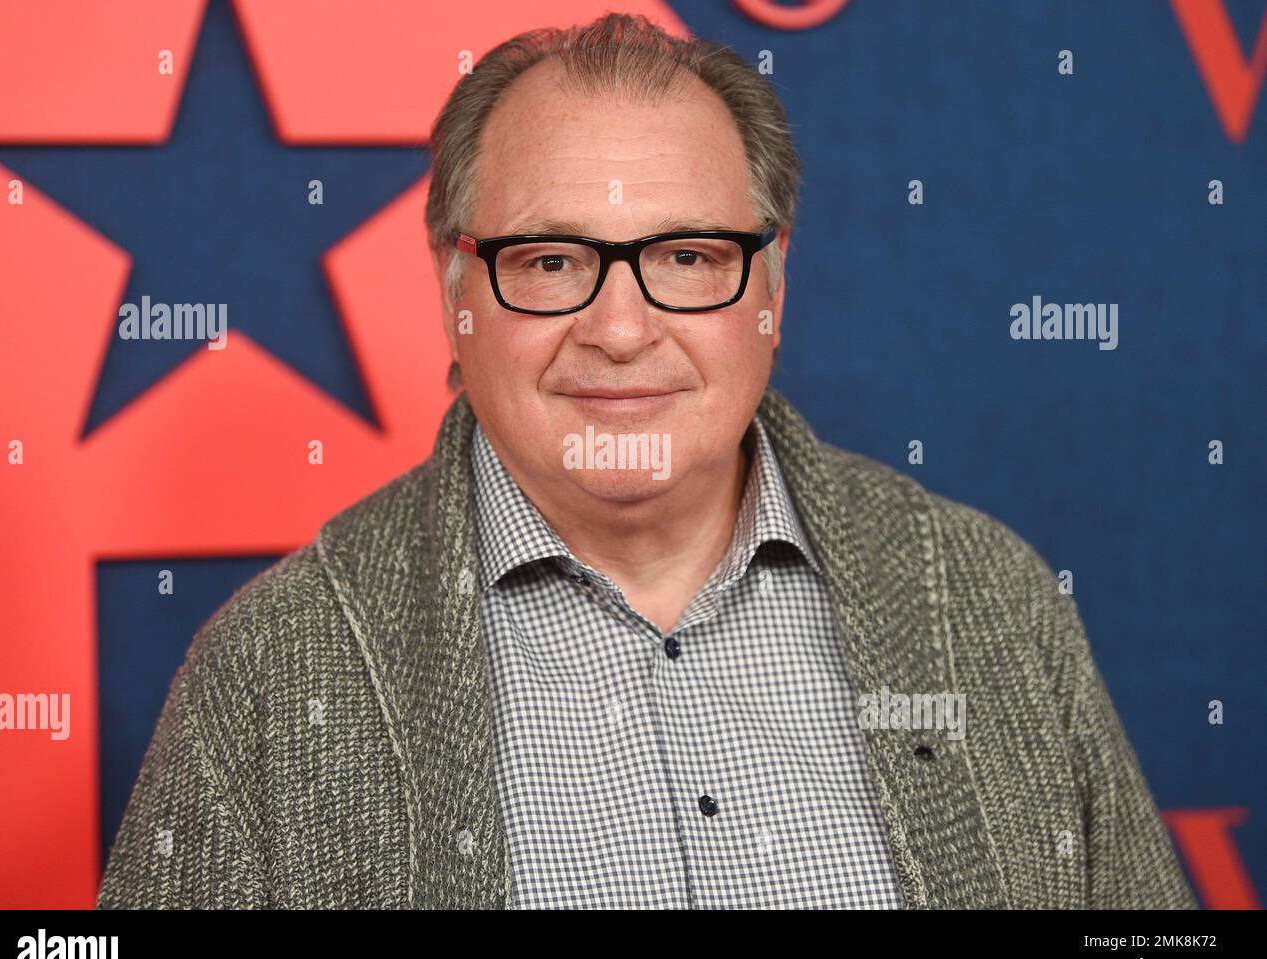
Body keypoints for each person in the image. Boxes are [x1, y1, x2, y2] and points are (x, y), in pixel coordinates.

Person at [96, 12, 1196, 909]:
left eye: (686, 255)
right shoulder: (269, 676)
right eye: (550, 258)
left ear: (771, 288)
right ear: (454, 293)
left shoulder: (988, 596)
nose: (620, 329)